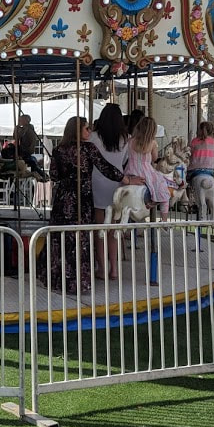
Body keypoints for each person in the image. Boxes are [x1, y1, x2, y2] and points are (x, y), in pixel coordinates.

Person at [47, 116, 131, 294]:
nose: (89, 131)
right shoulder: (88, 149)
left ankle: (58, 279)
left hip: (63, 198)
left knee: (62, 239)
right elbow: (105, 167)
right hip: (81, 199)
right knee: (81, 239)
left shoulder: (59, 150)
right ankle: (79, 281)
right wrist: (125, 178)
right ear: (77, 131)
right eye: (86, 128)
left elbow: (54, 175)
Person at [89, 103, 128, 280]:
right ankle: (114, 269)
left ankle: (102, 268)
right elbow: (125, 160)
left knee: (100, 229)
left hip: (98, 181)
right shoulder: (125, 138)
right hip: (117, 182)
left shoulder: (94, 137)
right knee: (113, 229)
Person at [126, 117, 171, 220]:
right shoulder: (152, 143)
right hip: (146, 172)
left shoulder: (130, 141)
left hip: (130, 171)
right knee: (164, 190)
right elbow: (155, 158)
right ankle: (164, 220)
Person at [13, 114, 46, 180]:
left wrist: (16, 129)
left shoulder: (27, 130)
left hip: (25, 151)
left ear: (25, 121)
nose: (19, 121)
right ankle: (42, 175)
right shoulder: (27, 129)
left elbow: (16, 137)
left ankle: (42, 175)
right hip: (26, 151)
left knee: (31, 162)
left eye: (21, 120)